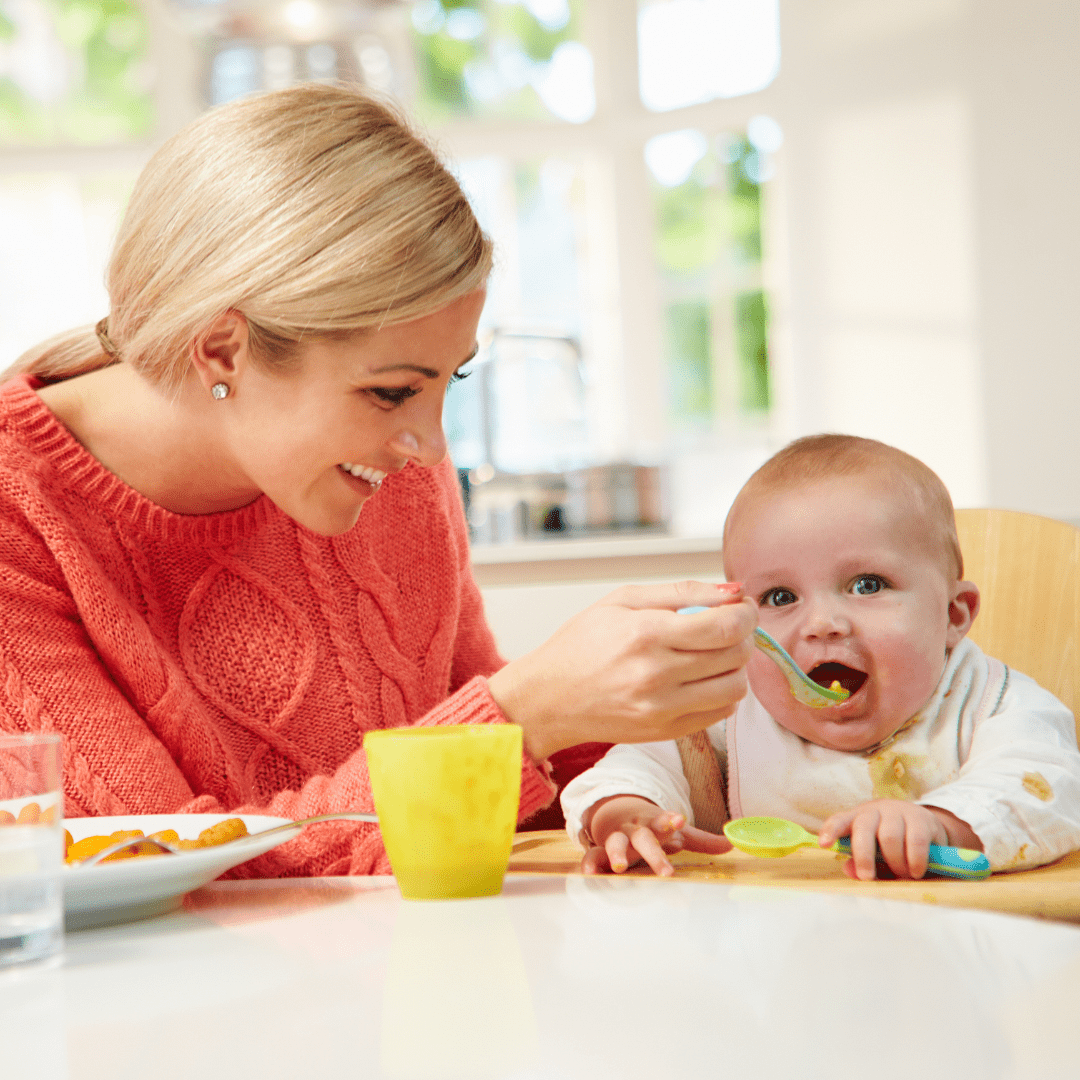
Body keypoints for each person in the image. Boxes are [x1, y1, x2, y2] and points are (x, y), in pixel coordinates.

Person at [0, 83, 756, 877]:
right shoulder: (20, 511)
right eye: (392, 391)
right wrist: (523, 717)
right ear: (222, 348)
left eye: (447, 384)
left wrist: (644, 759)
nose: (430, 449)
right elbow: (151, 867)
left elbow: (498, 785)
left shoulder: (383, 472)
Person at [561, 435, 1080, 881]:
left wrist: (944, 823)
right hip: (778, 957)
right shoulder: (731, 713)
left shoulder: (994, 703)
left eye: (867, 585)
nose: (822, 623)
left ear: (953, 614)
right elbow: (639, 762)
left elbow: (1047, 787)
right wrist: (626, 813)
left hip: (954, 950)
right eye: (780, 598)